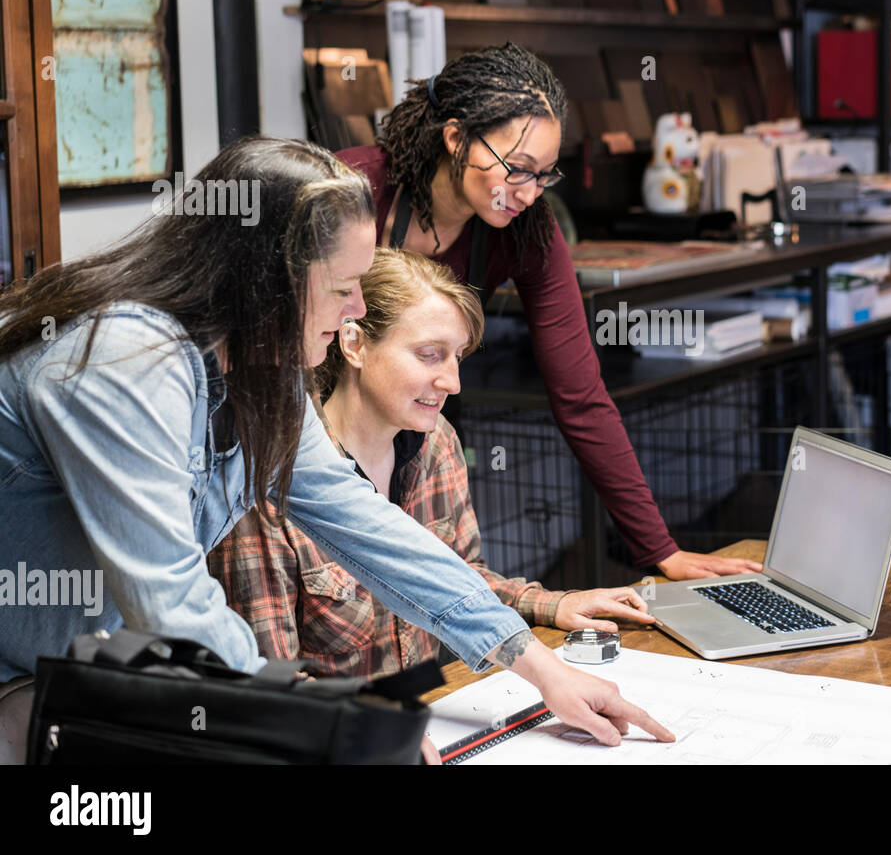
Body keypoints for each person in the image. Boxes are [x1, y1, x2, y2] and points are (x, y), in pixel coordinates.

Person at [0, 136, 670, 761]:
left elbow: (365, 522)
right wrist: (335, 726)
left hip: (69, 673)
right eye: (343, 285)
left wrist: (538, 664)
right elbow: (170, 599)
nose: (356, 309)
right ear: (267, 278)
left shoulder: (263, 361)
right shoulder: (126, 360)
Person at [338, 42, 763, 582]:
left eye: (544, 175)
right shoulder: (355, 189)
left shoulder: (527, 228)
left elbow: (580, 394)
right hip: (316, 425)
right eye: (517, 169)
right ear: (455, 137)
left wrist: (660, 550)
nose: (530, 193)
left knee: (426, 593)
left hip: (417, 431)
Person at [208, 247, 655, 677]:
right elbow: (268, 679)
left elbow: (461, 581)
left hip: (433, 707)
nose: (453, 382)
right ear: (354, 344)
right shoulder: (267, 482)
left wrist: (552, 604)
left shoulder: (436, 441)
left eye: (457, 357)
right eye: (429, 355)